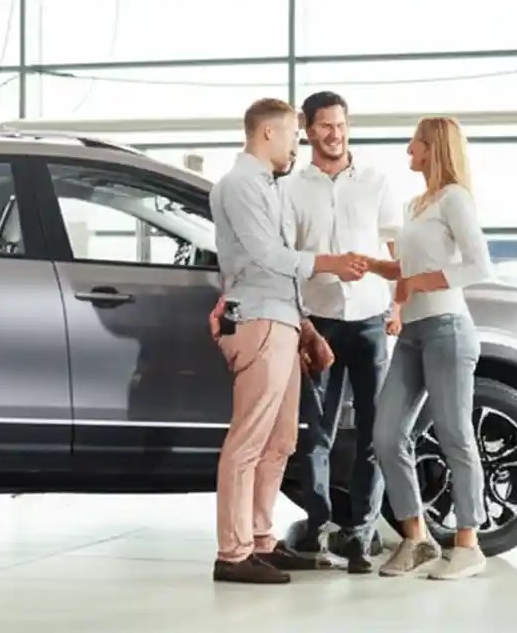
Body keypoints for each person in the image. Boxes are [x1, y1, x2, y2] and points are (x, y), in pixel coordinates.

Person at [207, 97, 368, 585]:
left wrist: (307, 328)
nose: (298, 145)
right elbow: (266, 254)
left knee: (279, 441)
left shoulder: (266, 187)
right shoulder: (239, 184)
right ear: (268, 134)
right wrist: (329, 263)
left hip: (281, 320)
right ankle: (232, 554)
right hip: (257, 320)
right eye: (294, 136)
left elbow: (278, 267)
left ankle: (259, 540)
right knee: (249, 438)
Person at [360, 116, 495, 581]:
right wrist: (376, 268)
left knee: (456, 435)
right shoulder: (417, 205)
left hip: (448, 330)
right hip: (414, 333)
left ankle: (468, 542)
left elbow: (480, 266)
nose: (407, 150)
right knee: (386, 434)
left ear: (433, 147)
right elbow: (407, 270)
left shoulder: (455, 200)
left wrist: (419, 280)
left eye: (414, 142)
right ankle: (416, 539)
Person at [283, 91, 402, 574]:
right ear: (308, 130)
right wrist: (301, 322)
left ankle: (361, 533)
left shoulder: (375, 181)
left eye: (341, 125)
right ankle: (317, 527)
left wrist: (399, 305)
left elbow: (399, 246)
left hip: (372, 319)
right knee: (316, 433)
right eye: (325, 126)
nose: (336, 134)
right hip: (320, 322)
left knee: (375, 430)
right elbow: (286, 259)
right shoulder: (291, 188)